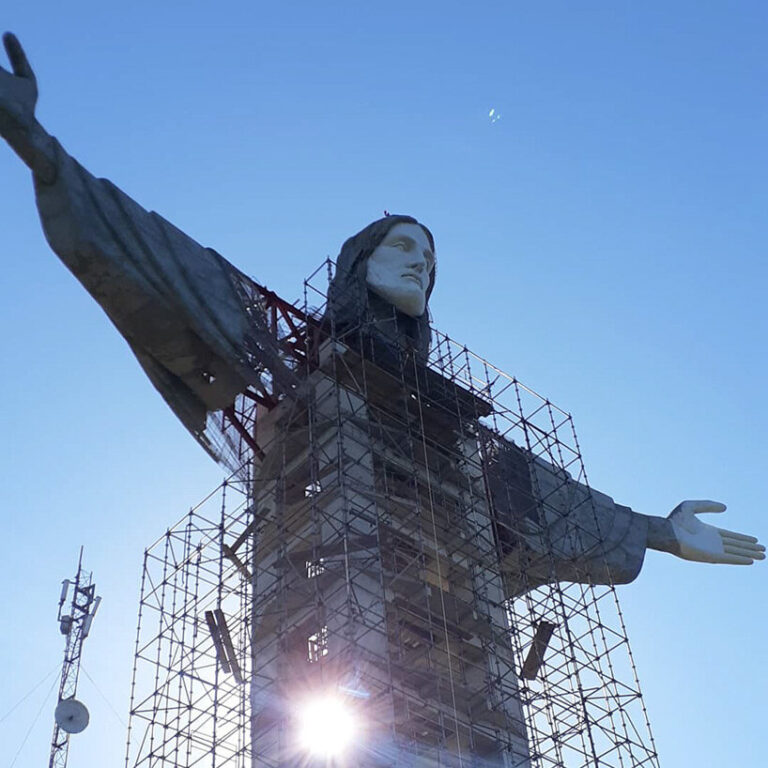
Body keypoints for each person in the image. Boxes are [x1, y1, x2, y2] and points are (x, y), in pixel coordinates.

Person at [0, 32, 763, 582]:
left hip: (452, 645)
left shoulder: (453, 427)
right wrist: (35, 143)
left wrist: (659, 532)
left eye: (430, 259)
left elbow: (557, 497)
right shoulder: (288, 357)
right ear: (357, 264)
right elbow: (159, 259)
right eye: (403, 248)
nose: (421, 265)